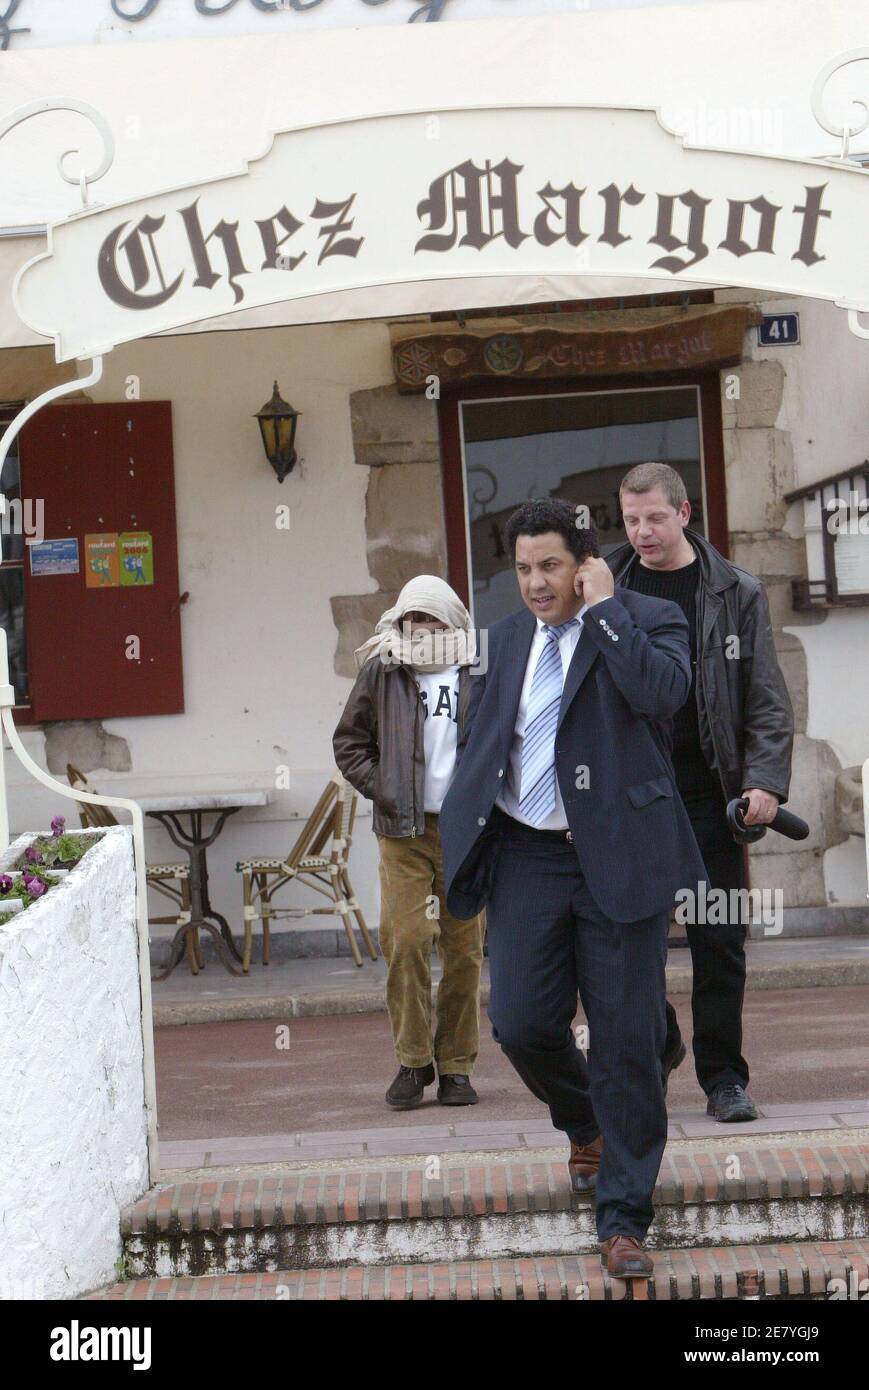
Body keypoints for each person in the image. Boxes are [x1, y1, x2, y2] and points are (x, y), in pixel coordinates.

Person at [439, 499, 708, 1279]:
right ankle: (581, 1118)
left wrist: (601, 615)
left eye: (549, 565)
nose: (533, 583)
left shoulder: (643, 617)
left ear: (585, 562)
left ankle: (622, 1220)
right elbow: (480, 732)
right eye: (522, 568)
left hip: (619, 852)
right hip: (527, 855)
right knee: (521, 1021)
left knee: (623, 1043)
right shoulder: (504, 639)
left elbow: (662, 696)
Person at [607, 461, 794, 1123]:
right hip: (633, 799)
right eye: (630, 520)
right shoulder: (606, 588)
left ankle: (722, 1079)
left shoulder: (733, 591)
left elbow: (766, 702)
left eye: (654, 517)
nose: (641, 532)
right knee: (629, 947)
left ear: (682, 514)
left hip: (710, 796)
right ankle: (658, 1048)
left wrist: (763, 783)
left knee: (718, 943)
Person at [333, 575, 485, 1112]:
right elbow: (349, 742)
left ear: (452, 621)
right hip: (405, 832)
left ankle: (457, 1068)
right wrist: (390, 790)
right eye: (412, 619)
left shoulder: (478, 667)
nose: (421, 629)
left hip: (467, 833)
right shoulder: (384, 667)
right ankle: (413, 1060)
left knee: (464, 951)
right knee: (406, 940)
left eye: (432, 619)